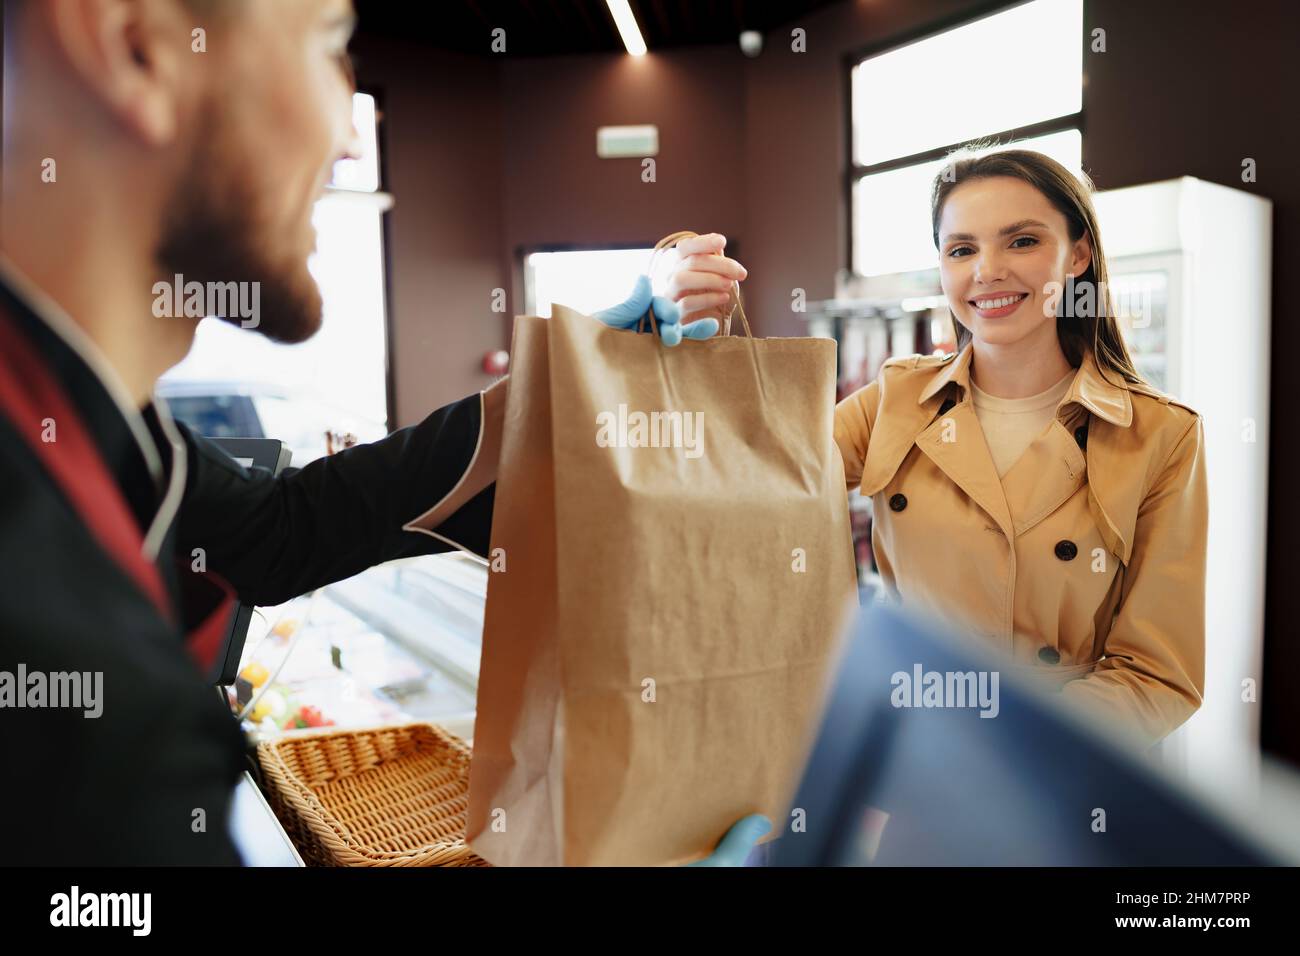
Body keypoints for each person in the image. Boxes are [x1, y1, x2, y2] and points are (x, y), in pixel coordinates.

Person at [0, 0, 732, 864]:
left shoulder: (104, 432)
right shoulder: (63, 654)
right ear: (134, 45)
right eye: (326, 46)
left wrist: (568, 377)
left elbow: (285, 531)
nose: (351, 141)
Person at [697, 150, 1208, 752]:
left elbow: (1157, 674)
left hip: (1063, 785)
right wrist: (690, 334)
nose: (987, 271)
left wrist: (1009, 757)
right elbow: (746, 485)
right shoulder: (895, 398)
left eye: (1021, 241)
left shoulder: (1160, 434)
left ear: (1078, 255)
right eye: (961, 250)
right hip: (916, 761)